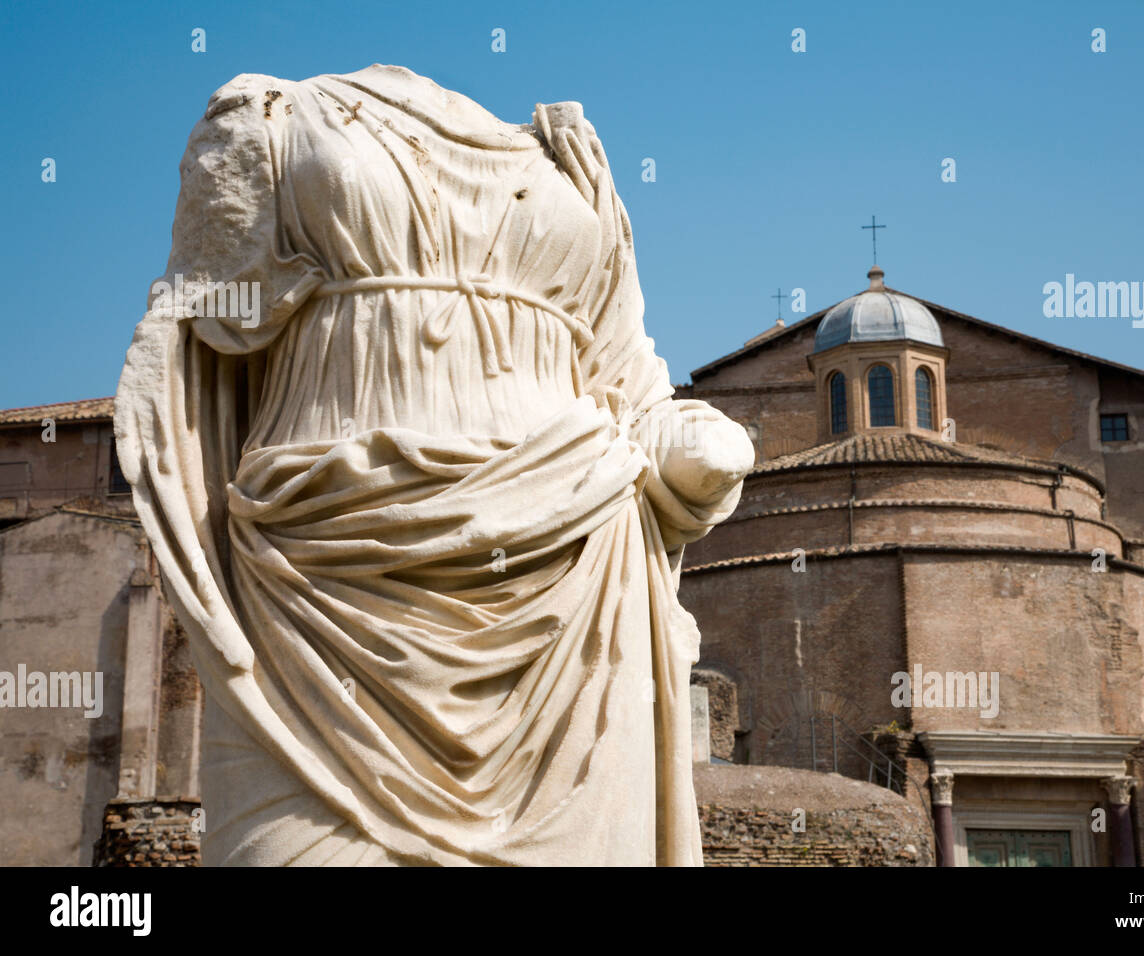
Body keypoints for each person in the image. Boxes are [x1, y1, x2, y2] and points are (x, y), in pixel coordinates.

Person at [115, 64, 752, 865]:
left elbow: (629, 381)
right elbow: (215, 320)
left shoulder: (572, 162)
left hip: (571, 559)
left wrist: (693, 451)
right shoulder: (275, 116)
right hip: (323, 566)